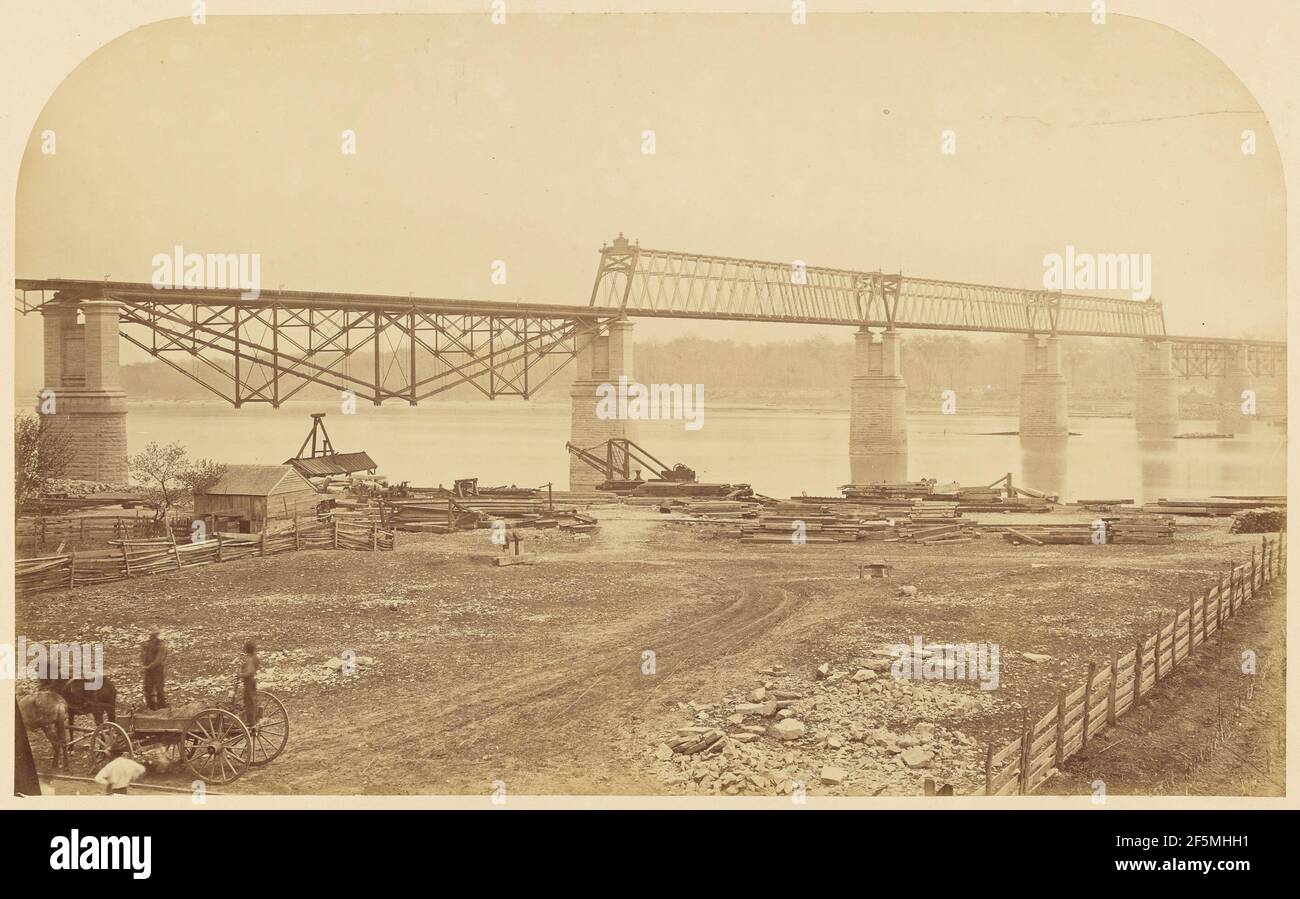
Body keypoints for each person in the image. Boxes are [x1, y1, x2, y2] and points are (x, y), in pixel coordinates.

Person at [140, 627, 167, 710]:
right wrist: (143, 650)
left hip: (157, 670)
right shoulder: (147, 644)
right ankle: (150, 707)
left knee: (159, 688)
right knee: (147, 688)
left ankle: (161, 707)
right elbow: (143, 657)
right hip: (149, 670)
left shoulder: (161, 644)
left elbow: (159, 659)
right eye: (151, 635)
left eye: (153, 635)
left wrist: (149, 666)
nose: (151, 636)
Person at [237, 640, 259, 727]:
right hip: (252, 681)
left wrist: (240, 675)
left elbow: (250, 672)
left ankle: (251, 721)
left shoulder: (250, 659)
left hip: (249, 682)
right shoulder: (255, 658)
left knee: (248, 701)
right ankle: (253, 719)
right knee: (252, 700)